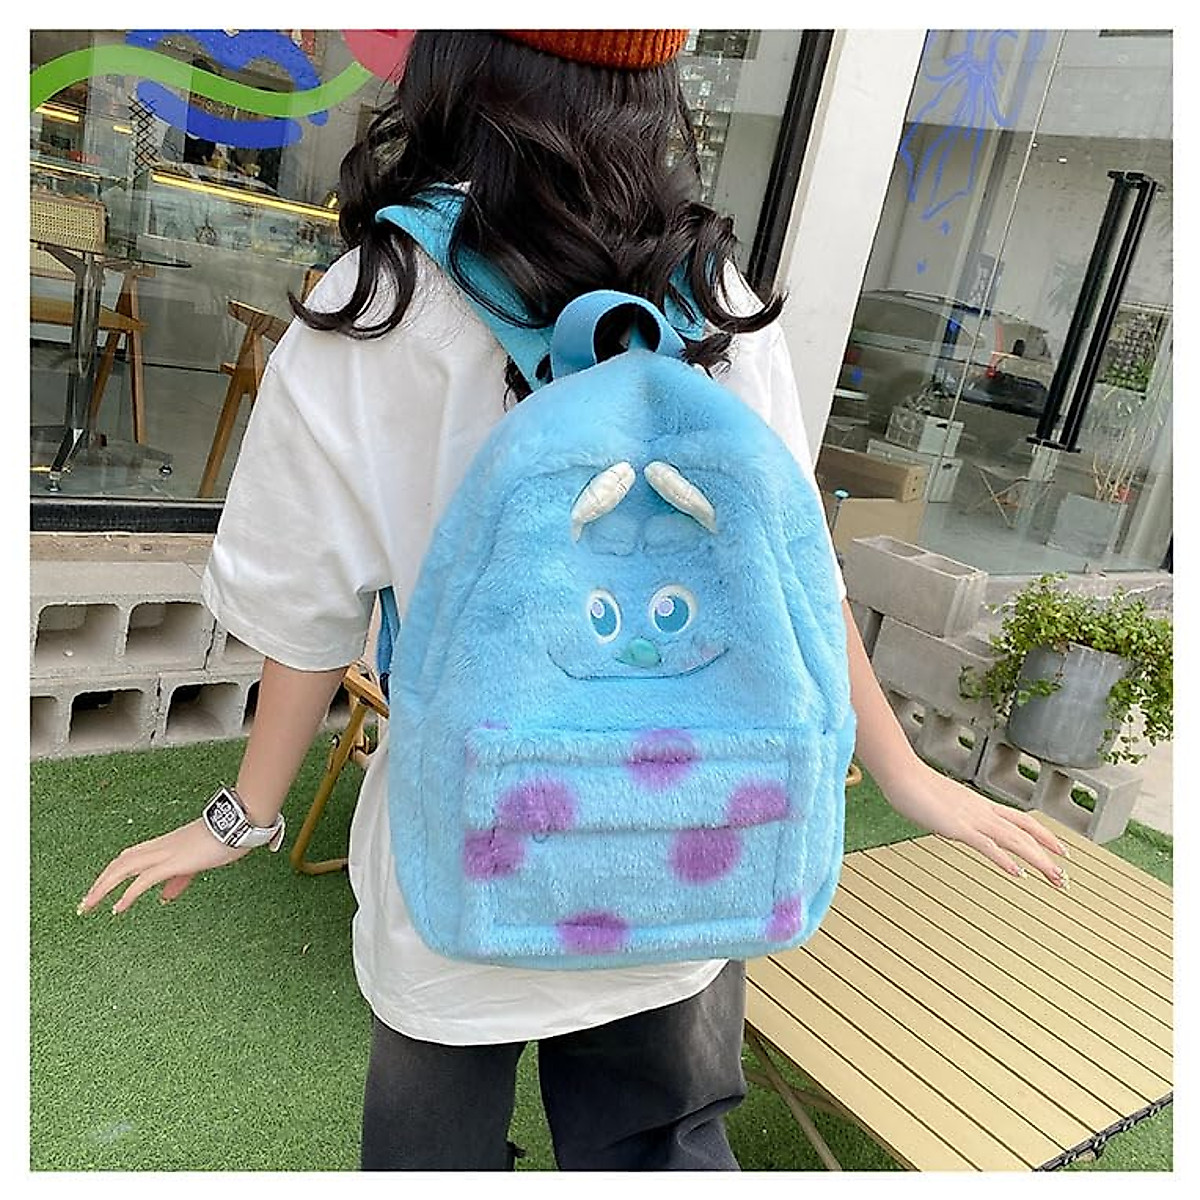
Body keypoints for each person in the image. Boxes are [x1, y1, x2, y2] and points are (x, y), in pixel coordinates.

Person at [78, 29, 1069, 1171]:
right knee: (663, 1148)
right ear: (655, 85)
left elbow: (303, 614)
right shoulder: (712, 293)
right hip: (689, 842)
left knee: (433, 1163)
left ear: (451, 62)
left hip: (472, 852)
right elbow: (792, 569)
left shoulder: (380, 298)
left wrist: (245, 813)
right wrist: (901, 773)